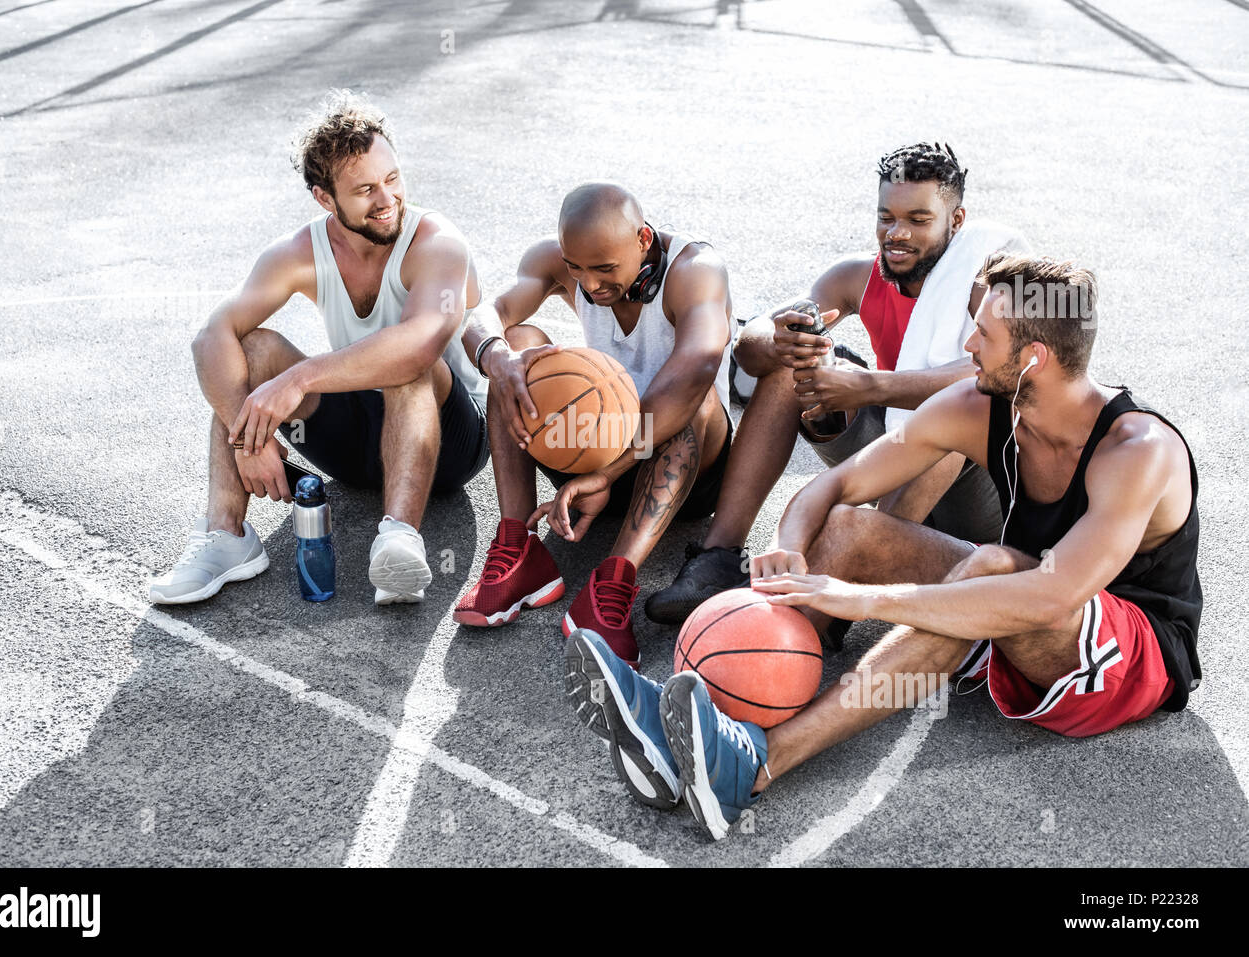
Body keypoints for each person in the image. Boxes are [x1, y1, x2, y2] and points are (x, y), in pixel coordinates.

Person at [567, 254, 1202, 837]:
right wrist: (790, 547)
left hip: (1127, 658)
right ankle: (680, 719)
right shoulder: (984, 405)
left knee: (992, 567)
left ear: (1033, 357)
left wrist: (862, 600)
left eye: (984, 333)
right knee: (850, 528)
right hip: (1017, 599)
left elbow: (1050, 595)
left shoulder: (1137, 451)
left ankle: (756, 763)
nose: (967, 344)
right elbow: (840, 485)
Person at [647, 143, 1026, 633]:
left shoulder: (987, 281)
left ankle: (837, 590)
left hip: (980, 496)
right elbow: (749, 347)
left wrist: (868, 386)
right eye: (886, 216)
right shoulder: (858, 276)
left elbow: (987, 378)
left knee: (955, 411)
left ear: (956, 222)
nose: (897, 233)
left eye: (918, 219)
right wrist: (783, 336)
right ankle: (718, 559)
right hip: (895, 452)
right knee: (793, 363)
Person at [149, 90, 489, 606]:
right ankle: (226, 536)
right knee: (253, 348)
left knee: (407, 365)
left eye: (393, 179)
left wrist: (298, 379)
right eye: (365, 189)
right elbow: (211, 335)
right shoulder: (299, 253)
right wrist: (249, 435)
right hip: (358, 447)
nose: (386, 199)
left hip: (448, 441)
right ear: (325, 198)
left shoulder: (437, 242)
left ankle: (398, 538)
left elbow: (419, 346)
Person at [454, 183, 733, 669]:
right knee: (518, 352)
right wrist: (495, 356)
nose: (591, 285)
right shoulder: (559, 263)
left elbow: (696, 369)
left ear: (644, 239)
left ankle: (612, 581)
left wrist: (610, 472)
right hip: (594, 453)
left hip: (680, 469)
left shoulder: (696, 271)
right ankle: (520, 550)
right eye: (577, 268)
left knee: (699, 399)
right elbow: (484, 314)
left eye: (606, 269)